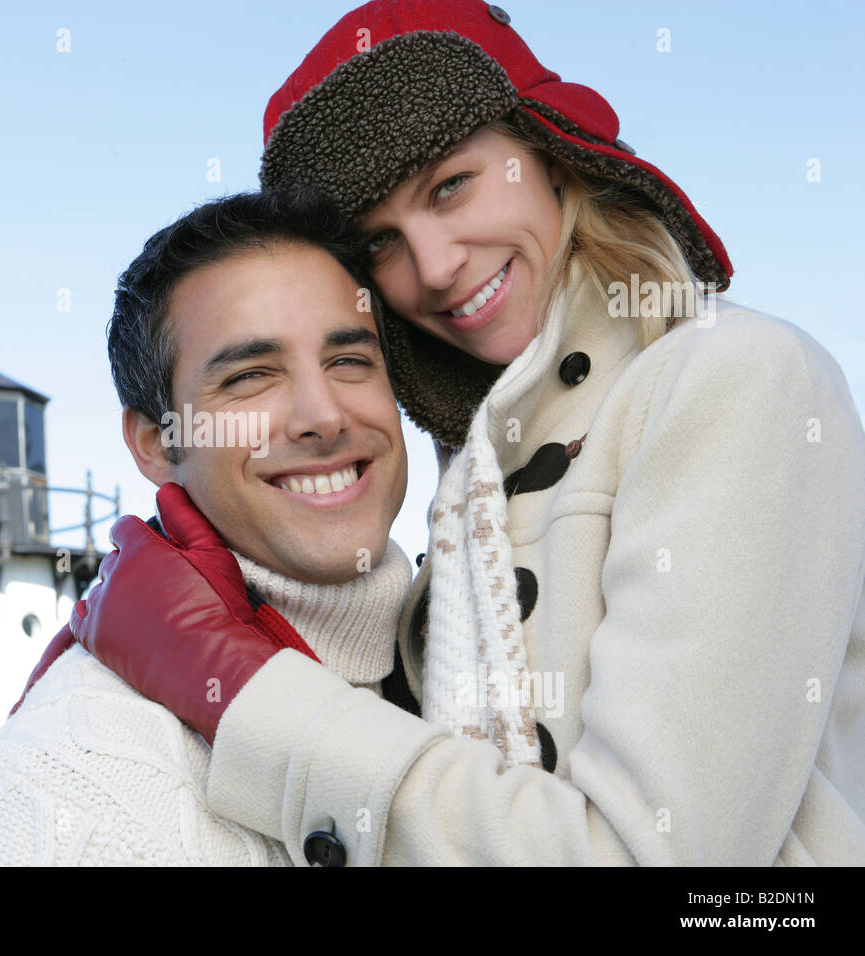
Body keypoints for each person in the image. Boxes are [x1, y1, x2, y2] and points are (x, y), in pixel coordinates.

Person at [66, 0, 865, 865]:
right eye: (382, 241)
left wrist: (239, 687)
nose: (437, 266)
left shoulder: (734, 379)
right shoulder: (470, 487)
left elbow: (652, 860)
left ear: (550, 156)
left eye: (452, 187)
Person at [0, 188, 418, 865]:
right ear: (156, 443)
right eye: (251, 377)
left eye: (350, 360)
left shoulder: (473, 651)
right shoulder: (46, 804)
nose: (322, 415)